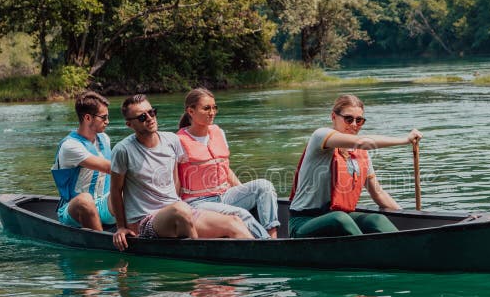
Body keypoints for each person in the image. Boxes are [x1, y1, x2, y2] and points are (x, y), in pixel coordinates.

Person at [110, 94, 253, 251]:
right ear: (130, 124)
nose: (150, 118)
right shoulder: (123, 150)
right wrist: (121, 227)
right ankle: (200, 260)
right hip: (144, 221)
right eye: (142, 117)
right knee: (180, 210)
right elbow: (116, 191)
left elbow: (176, 179)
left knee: (234, 221)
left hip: (180, 211)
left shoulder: (172, 140)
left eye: (152, 112)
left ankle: (257, 263)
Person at [288, 94, 423, 238]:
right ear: (334, 117)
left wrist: (410, 216)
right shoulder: (320, 136)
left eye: (359, 120)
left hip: (340, 220)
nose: (354, 124)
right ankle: (372, 251)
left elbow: (378, 193)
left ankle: (405, 245)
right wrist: (404, 140)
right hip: (303, 223)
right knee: (339, 218)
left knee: (376, 219)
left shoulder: (360, 154)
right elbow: (361, 141)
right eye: (348, 119)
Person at [177, 88, 280, 238]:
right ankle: (267, 245)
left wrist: (242, 190)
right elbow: (174, 180)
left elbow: (225, 168)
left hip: (225, 195)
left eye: (214, 108)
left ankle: (274, 237)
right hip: (198, 203)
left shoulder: (218, 132)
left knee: (265, 186)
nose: (212, 112)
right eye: (206, 108)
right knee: (241, 214)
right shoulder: (178, 141)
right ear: (190, 111)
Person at [51, 91, 115, 231]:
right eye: (103, 118)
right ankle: (101, 243)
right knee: (85, 200)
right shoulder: (70, 146)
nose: (107, 122)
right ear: (87, 118)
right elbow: (111, 168)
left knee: (130, 193)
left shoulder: (104, 138)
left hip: (101, 205)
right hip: (74, 210)